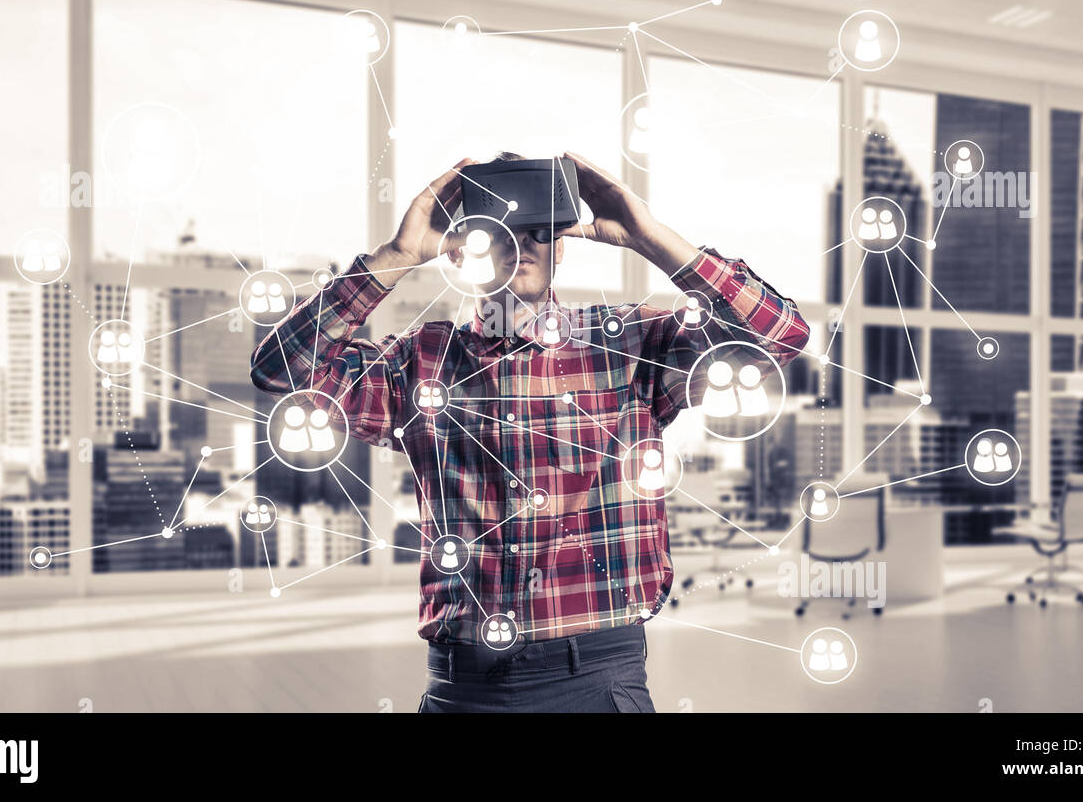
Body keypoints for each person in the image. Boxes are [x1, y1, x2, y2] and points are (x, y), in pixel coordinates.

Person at [250, 150, 809, 713]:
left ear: (561, 243)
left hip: (597, 677)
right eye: (497, 229)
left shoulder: (627, 345)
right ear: (463, 244)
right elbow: (279, 370)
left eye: (537, 229)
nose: (518, 243)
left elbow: (779, 336)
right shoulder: (419, 363)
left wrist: (650, 235)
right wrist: (397, 257)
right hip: (463, 685)